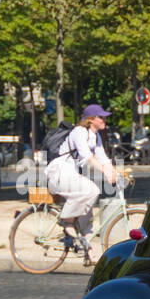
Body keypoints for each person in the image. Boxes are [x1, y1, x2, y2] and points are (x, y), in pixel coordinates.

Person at [46, 103, 117, 265]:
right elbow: (87, 157)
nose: (105, 119)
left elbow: (103, 157)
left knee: (87, 212)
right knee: (91, 190)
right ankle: (66, 221)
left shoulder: (96, 136)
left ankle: (88, 252)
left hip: (71, 173)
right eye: (102, 117)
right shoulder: (79, 132)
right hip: (59, 171)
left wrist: (114, 171)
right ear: (92, 119)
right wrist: (104, 171)